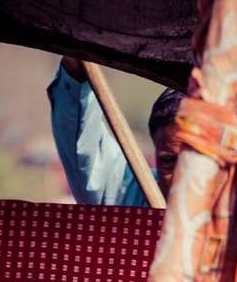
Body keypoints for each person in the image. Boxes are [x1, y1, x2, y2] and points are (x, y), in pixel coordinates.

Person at [48, 57, 182, 206]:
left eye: (201, 161)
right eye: (169, 161)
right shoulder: (133, 191)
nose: (183, 179)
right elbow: (86, 152)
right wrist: (75, 72)